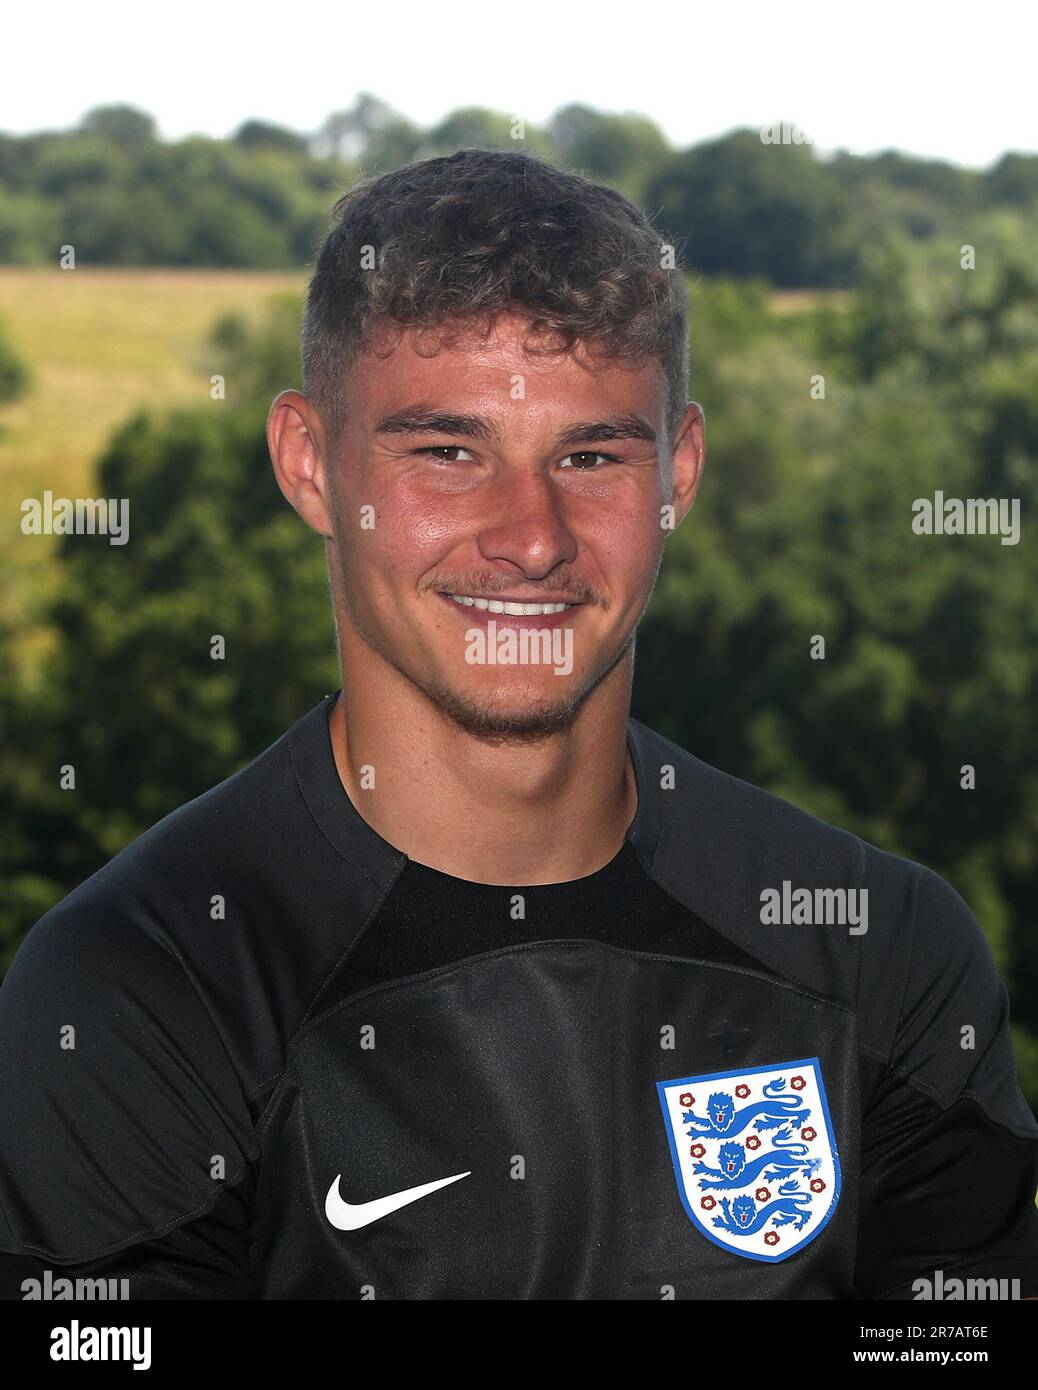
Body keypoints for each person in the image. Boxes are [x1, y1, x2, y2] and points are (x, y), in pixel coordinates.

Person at [1, 147, 1036, 1301]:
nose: (531, 537)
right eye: (449, 452)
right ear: (308, 464)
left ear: (677, 475)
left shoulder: (881, 950)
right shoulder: (141, 988)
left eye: (591, 455)